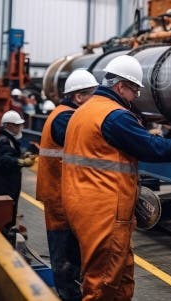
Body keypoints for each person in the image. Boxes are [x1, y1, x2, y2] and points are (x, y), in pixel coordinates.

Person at [61, 55, 171, 300]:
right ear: (121, 86)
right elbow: (152, 148)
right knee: (103, 282)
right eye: (134, 91)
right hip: (105, 210)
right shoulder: (115, 115)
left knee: (121, 276)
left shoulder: (85, 110)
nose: (135, 98)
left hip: (83, 202)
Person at [36, 69, 98, 301]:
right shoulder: (65, 118)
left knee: (70, 256)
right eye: (93, 95)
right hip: (59, 197)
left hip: (64, 194)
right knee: (65, 259)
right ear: (79, 97)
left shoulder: (63, 114)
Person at [0, 110, 35, 233]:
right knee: (6, 207)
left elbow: (11, 154)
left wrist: (23, 155)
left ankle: (8, 228)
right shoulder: (4, 140)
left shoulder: (9, 139)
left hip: (10, 182)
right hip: (5, 183)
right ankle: (5, 232)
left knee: (11, 206)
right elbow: (4, 159)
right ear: (8, 126)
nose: (20, 127)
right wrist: (21, 162)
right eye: (17, 125)